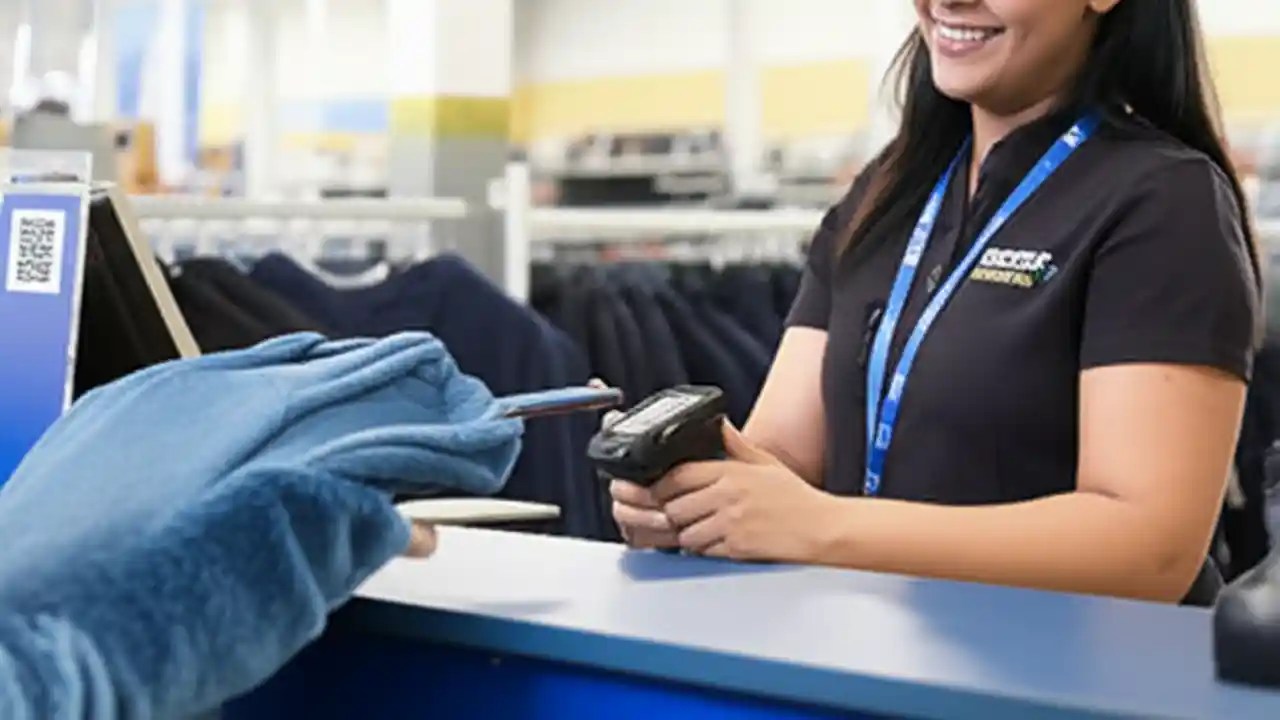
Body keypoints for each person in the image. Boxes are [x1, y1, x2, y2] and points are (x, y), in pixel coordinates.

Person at [610, 0, 1262, 605]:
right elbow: (784, 453)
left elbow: (1148, 548)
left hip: (1066, 682)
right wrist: (692, 495)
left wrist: (825, 528)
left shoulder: (1163, 203)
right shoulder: (885, 195)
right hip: (869, 659)